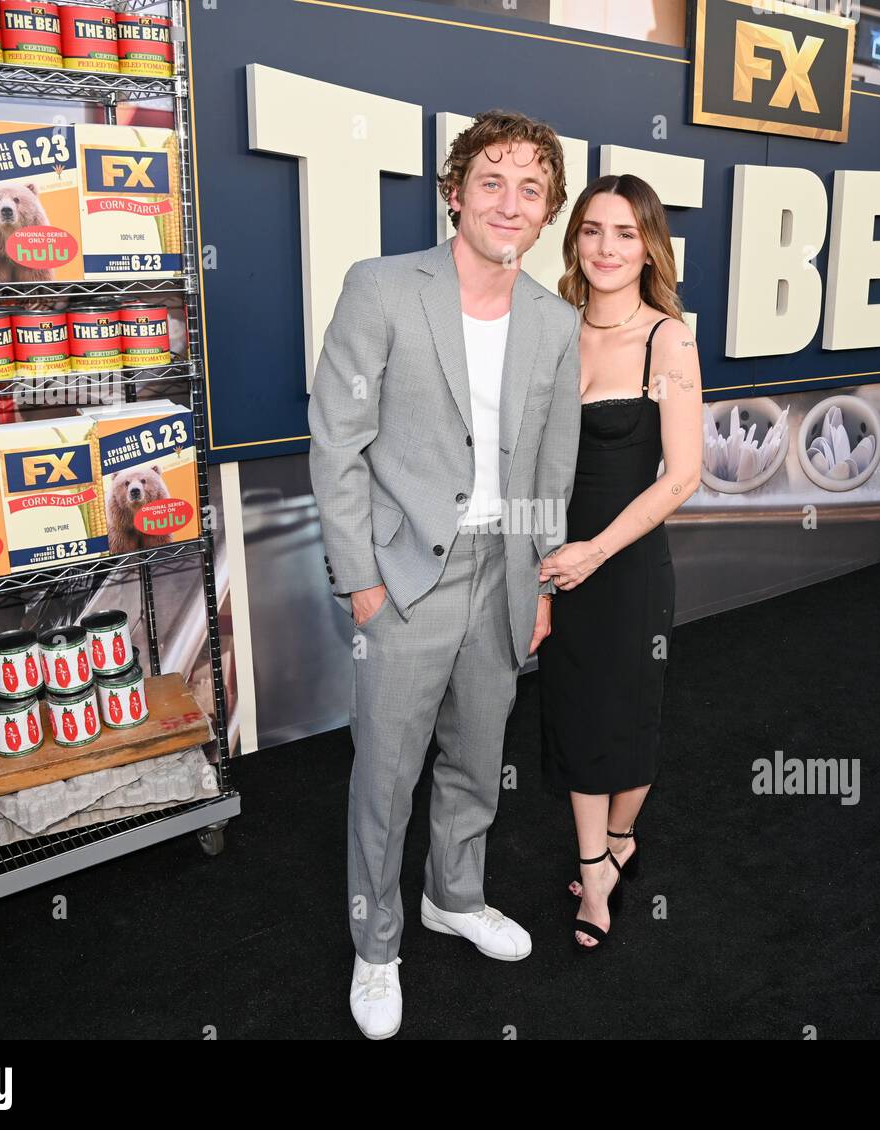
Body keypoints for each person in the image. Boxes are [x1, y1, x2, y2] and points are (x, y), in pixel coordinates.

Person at [308, 110, 582, 1038]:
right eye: (493, 181)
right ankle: (374, 944)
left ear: (548, 214)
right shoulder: (383, 289)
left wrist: (541, 583)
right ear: (454, 191)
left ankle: (451, 898)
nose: (511, 203)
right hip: (404, 578)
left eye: (532, 189)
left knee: (478, 758)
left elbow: (552, 464)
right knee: (385, 775)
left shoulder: (555, 319)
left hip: (504, 574)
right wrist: (360, 580)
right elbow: (338, 442)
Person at [536, 174, 702, 952]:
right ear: (575, 240)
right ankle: (596, 862)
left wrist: (594, 553)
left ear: (648, 247)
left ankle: (617, 840)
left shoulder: (666, 337)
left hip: (625, 565)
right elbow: (534, 466)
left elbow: (683, 475)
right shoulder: (553, 330)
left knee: (627, 720)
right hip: (559, 566)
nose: (607, 247)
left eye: (626, 233)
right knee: (573, 714)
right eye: (594, 230)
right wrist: (543, 565)